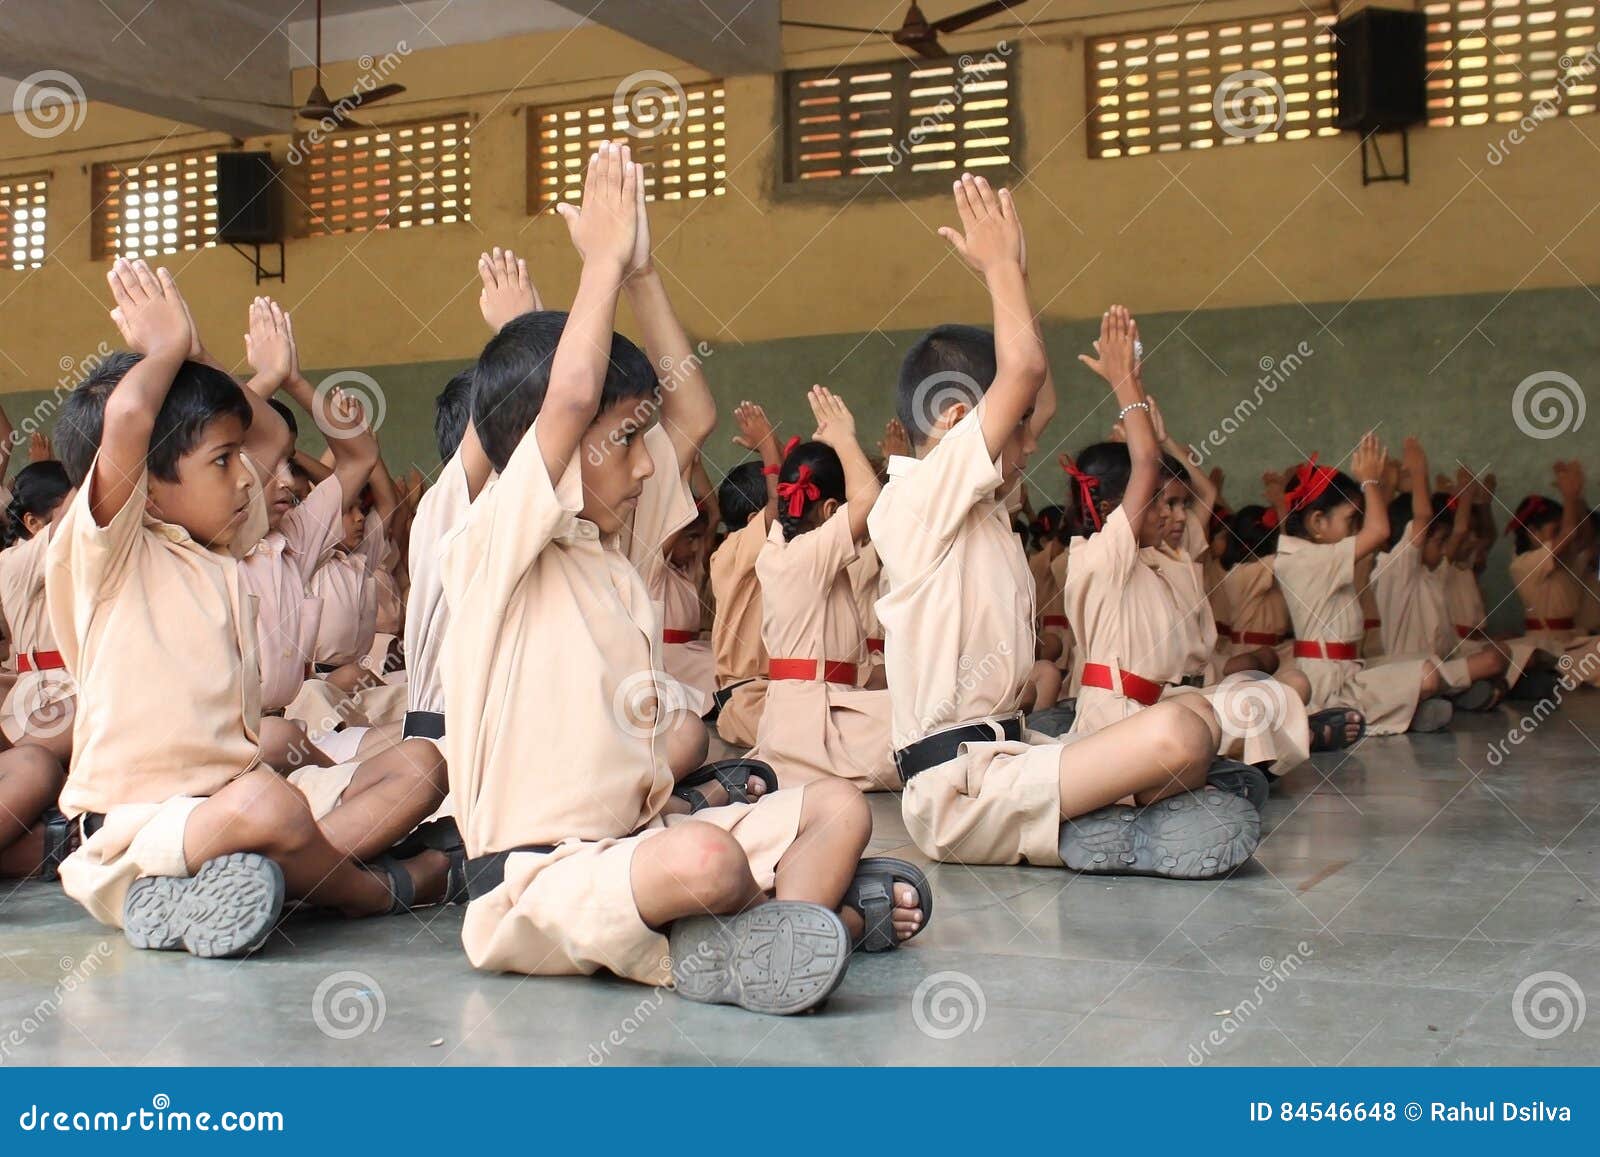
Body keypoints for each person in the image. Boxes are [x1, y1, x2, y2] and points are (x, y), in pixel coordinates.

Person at [441, 145, 925, 1016]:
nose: (642, 463)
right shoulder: (495, 540)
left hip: (640, 844)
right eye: (624, 439)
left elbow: (691, 410)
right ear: (551, 449)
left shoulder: (610, 550)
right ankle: (821, 918)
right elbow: (569, 394)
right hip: (539, 880)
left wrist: (644, 274)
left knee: (838, 806)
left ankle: (789, 931)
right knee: (706, 862)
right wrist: (596, 264)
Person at [869, 181, 1256, 879]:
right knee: (1175, 732)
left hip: (1011, 759)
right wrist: (999, 271)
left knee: (1198, 717)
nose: (1029, 445)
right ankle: (1121, 817)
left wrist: (1019, 272)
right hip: (959, 793)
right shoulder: (918, 498)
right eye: (1016, 431)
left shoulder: (971, 501)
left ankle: (1107, 818)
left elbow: (1034, 389)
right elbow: (1025, 371)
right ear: (958, 423)